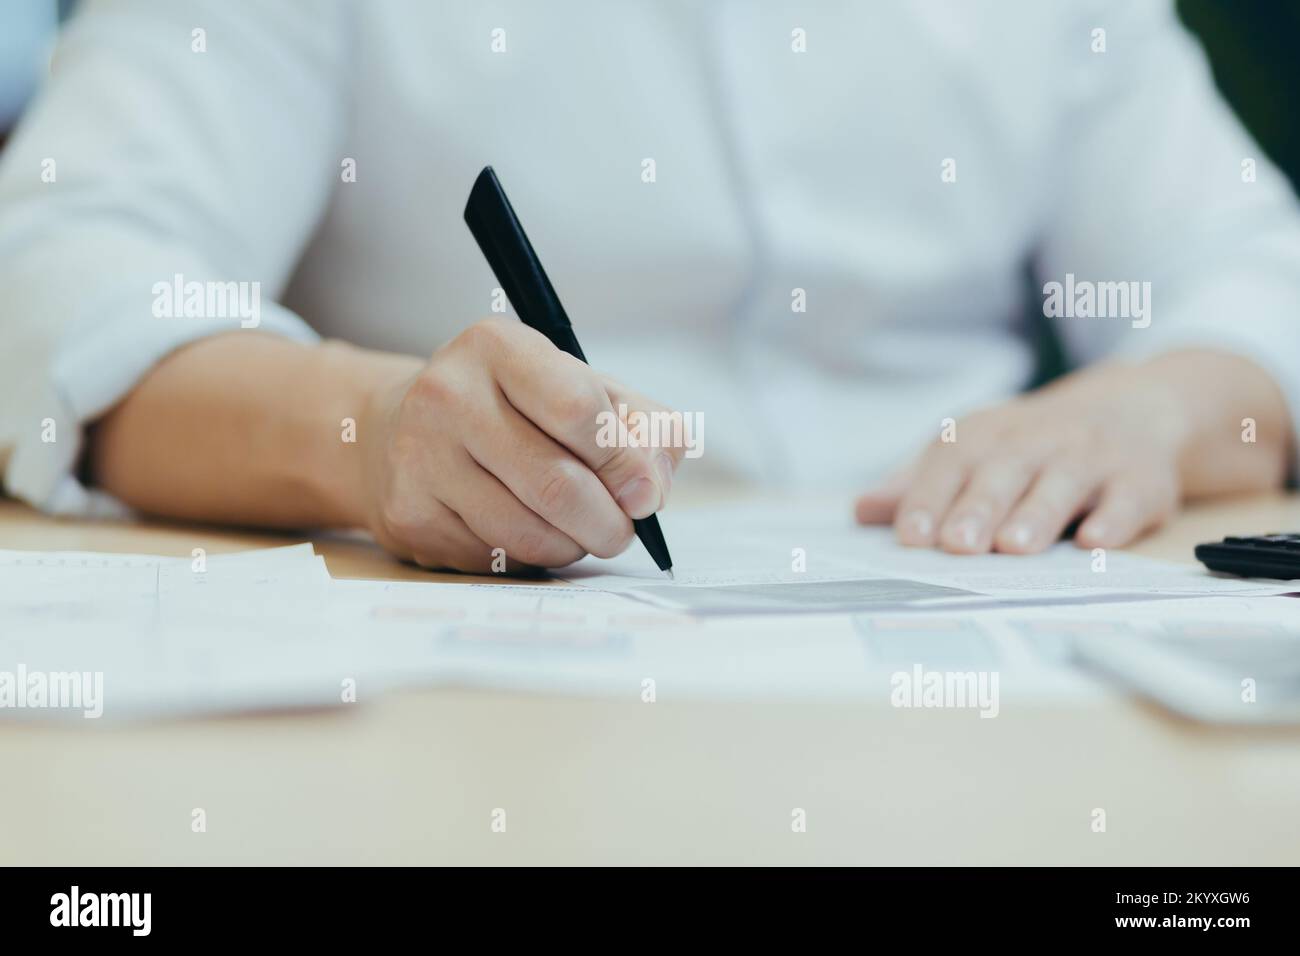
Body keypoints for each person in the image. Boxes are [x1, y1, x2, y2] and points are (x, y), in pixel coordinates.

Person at [0, 0, 1296, 573]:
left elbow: (1254, 271)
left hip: (983, 643)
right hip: (482, 655)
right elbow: (57, 274)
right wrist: (370, 432)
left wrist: (1154, 411)